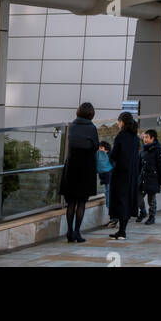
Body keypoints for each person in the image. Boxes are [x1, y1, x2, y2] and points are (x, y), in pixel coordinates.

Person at [60, 101, 99, 243]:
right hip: (86, 168)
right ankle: (77, 232)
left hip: (71, 167)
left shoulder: (72, 125)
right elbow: (95, 146)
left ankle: (69, 231)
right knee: (81, 202)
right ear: (91, 114)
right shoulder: (92, 128)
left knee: (71, 203)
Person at [109, 111, 141, 239]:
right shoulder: (135, 137)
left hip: (121, 172)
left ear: (122, 122)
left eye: (119, 121)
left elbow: (114, 155)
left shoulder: (120, 137)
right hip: (132, 173)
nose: (118, 124)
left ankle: (122, 231)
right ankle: (123, 230)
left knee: (120, 200)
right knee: (127, 200)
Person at [137, 128, 161, 224]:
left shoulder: (157, 150)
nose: (144, 139)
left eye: (147, 137)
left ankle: (152, 217)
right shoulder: (143, 150)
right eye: (144, 137)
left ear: (152, 138)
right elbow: (139, 166)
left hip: (153, 179)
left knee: (151, 200)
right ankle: (143, 212)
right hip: (142, 179)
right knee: (137, 197)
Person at [96, 139, 114, 222]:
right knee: (108, 199)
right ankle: (113, 218)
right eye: (99, 148)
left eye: (101, 148)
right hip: (107, 181)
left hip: (110, 180)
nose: (99, 149)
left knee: (109, 200)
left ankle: (113, 218)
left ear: (106, 150)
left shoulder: (109, 157)